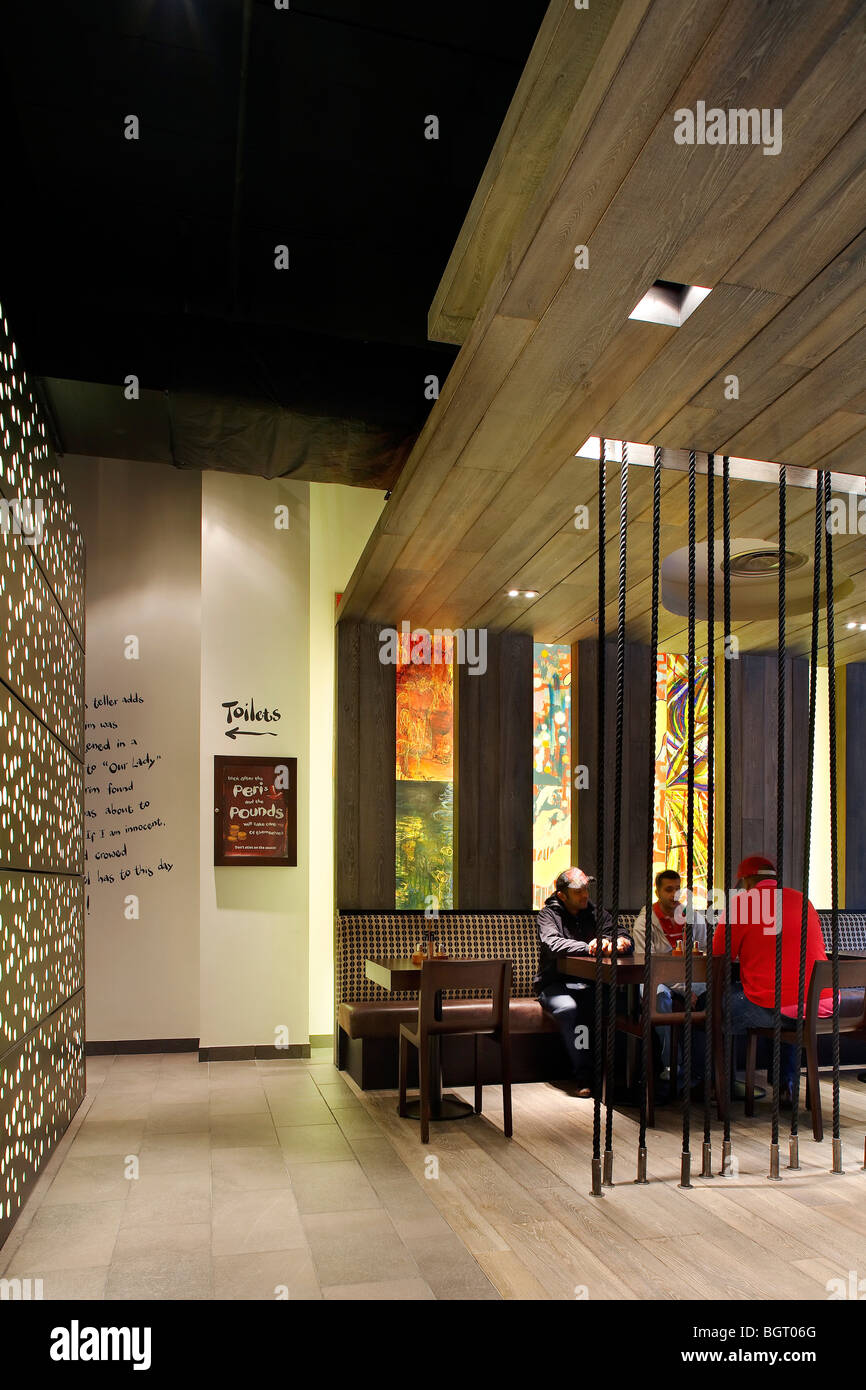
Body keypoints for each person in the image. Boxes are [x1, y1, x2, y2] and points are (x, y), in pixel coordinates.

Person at [712, 854, 832, 1105]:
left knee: (716, 1005)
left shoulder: (740, 904)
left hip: (775, 1005)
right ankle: (786, 1083)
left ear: (745, 881)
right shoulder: (804, 901)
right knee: (788, 999)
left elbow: (719, 955)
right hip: (820, 1002)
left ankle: (721, 1086)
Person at [534, 867, 632, 1097]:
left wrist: (619, 943)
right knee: (570, 1009)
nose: (585, 895)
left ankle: (629, 1076)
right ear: (562, 895)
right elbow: (553, 944)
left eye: (586, 889)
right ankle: (584, 1077)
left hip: (592, 983)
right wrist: (590, 947)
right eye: (578, 891)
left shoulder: (597, 913)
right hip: (555, 984)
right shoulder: (548, 915)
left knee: (628, 1003)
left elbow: (622, 934)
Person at [632, 868, 707, 1090]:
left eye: (677, 889)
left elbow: (703, 953)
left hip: (690, 978)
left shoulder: (694, 918)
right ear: (657, 891)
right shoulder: (645, 923)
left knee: (713, 996)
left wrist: (688, 987)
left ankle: (703, 1073)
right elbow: (649, 965)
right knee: (659, 998)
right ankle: (671, 1067)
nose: (674, 895)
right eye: (668, 889)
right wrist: (683, 989)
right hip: (656, 979)